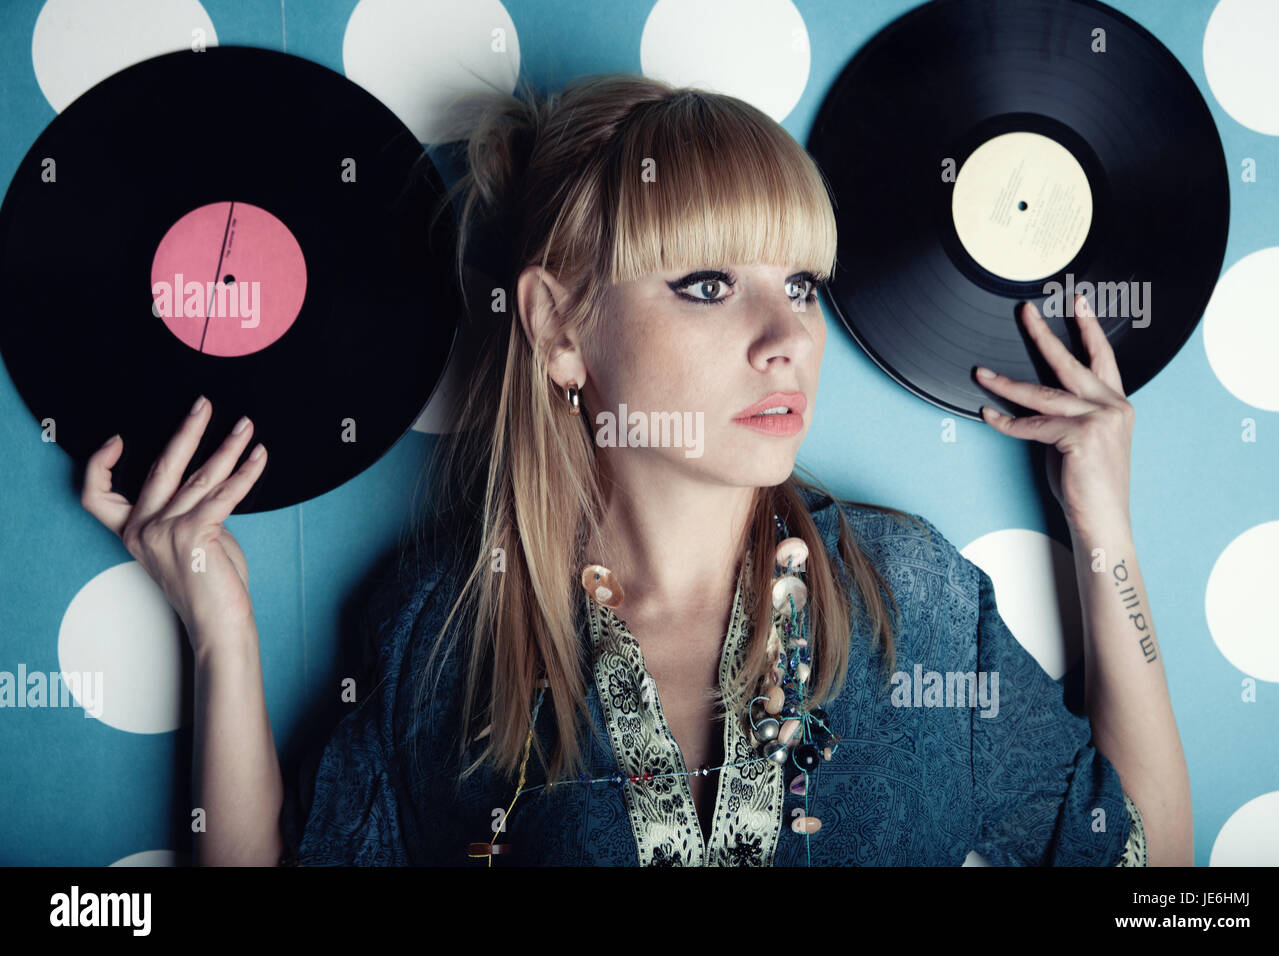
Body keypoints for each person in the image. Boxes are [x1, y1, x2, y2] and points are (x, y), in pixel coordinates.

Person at [81, 72, 1189, 866]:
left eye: (799, 282)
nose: (787, 338)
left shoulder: (915, 594)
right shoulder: (438, 626)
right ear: (560, 325)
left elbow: (1142, 859)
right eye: (706, 282)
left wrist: (1104, 520)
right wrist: (219, 630)